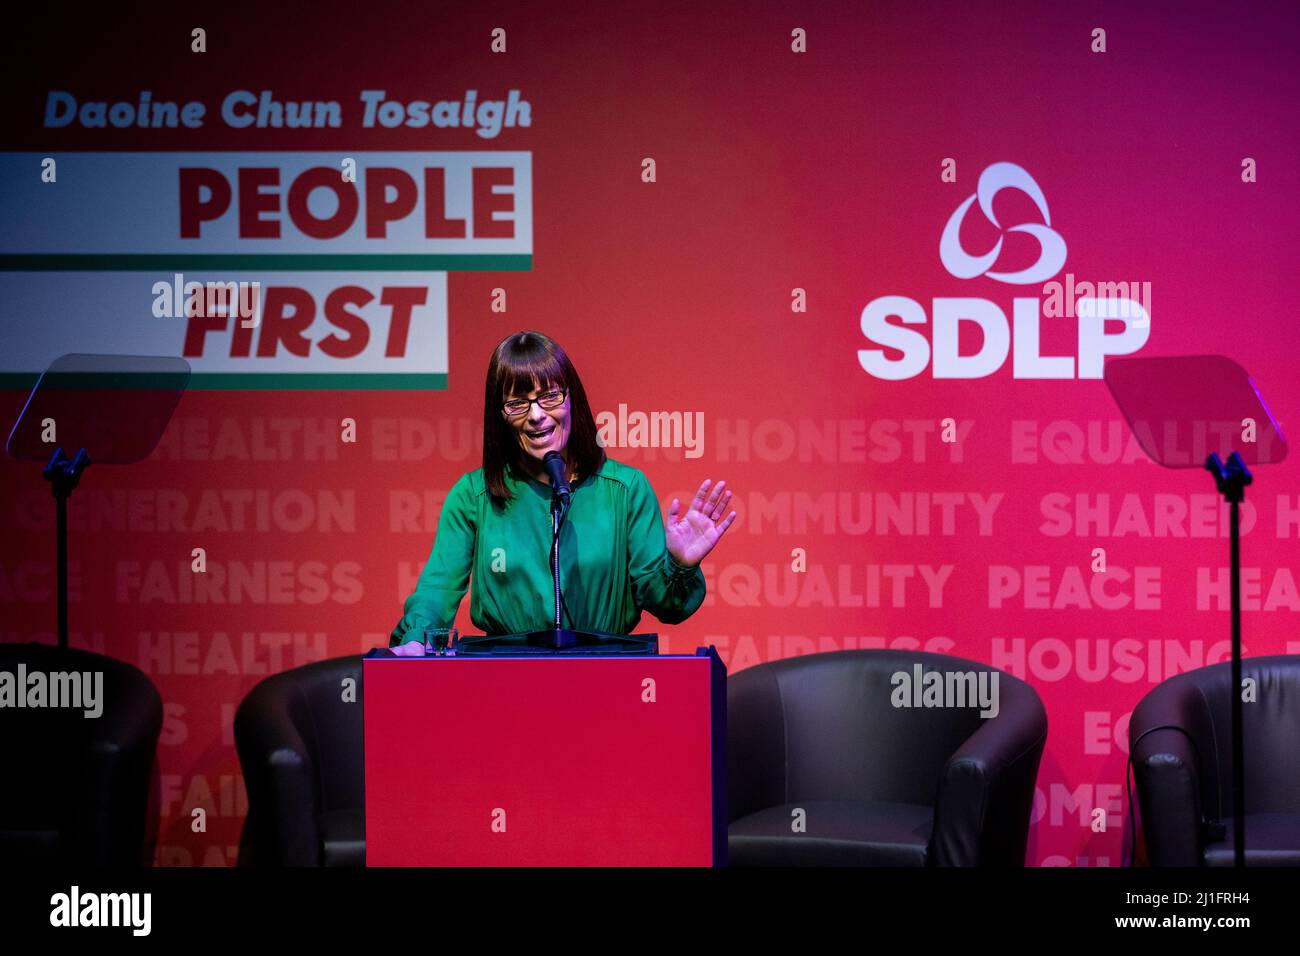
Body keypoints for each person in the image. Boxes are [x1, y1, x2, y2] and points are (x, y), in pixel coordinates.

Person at [390, 330, 737, 653]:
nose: (537, 416)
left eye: (549, 396)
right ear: (500, 417)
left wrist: (678, 566)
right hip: (504, 682)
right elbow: (436, 591)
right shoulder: (472, 497)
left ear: (572, 398)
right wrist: (417, 640)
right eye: (517, 404)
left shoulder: (626, 490)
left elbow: (667, 606)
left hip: (607, 680)